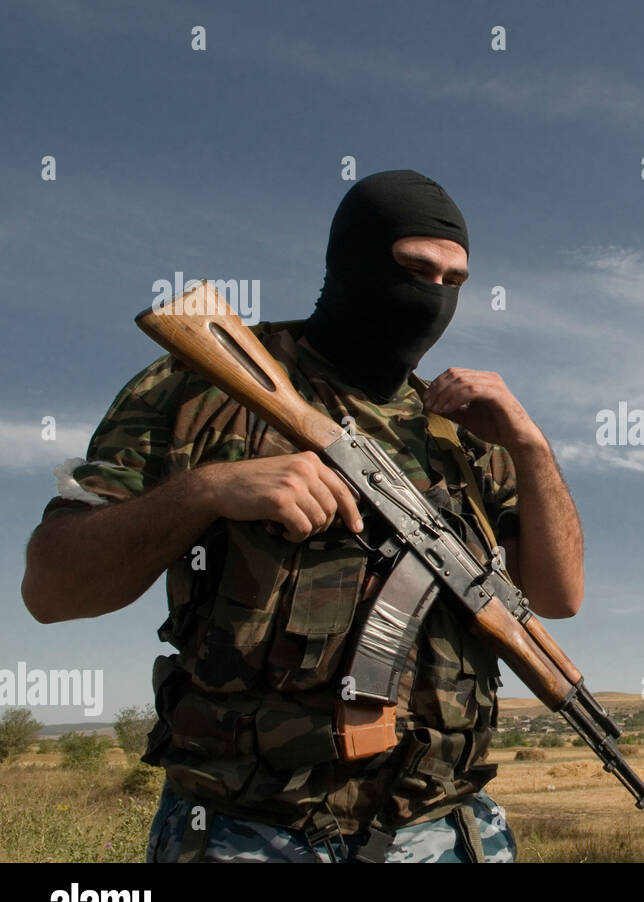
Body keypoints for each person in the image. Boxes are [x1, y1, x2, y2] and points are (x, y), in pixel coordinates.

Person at [20, 170, 584, 862]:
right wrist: (209, 490)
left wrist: (530, 445)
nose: (432, 297)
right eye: (413, 269)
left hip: (445, 829)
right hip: (244, 833)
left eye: (453, 282)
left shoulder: (464, 434)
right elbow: (51, 587)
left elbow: (559, 597)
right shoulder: (203, 388)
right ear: (352, 261)